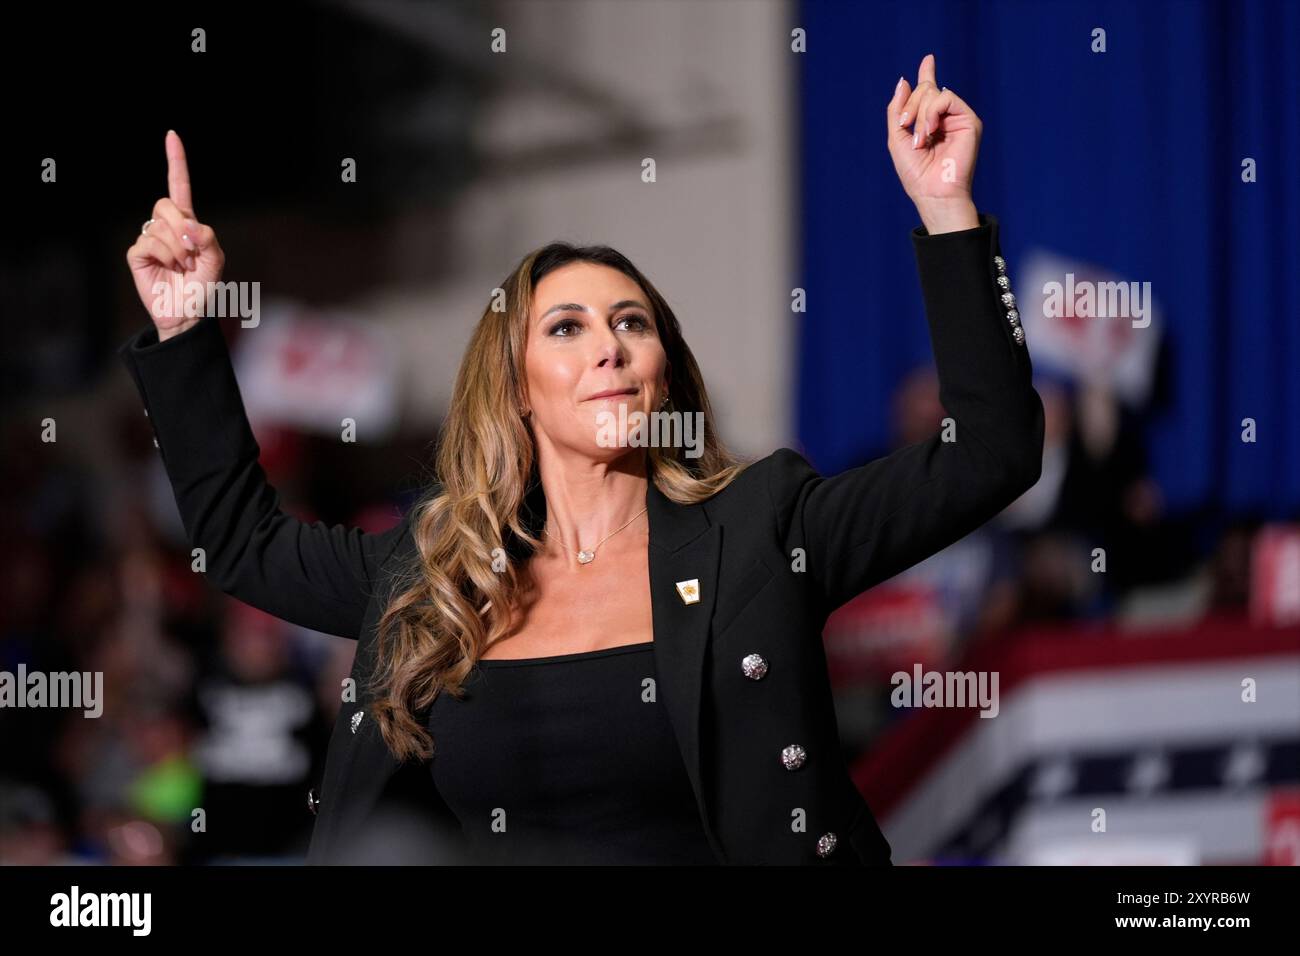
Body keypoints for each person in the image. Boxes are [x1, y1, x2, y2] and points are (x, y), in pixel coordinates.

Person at [118, 54, 1044, 865]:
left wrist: (947, 211)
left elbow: (992, 454)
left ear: (661, 375)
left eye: (631, 324)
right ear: (517, 387)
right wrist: (184, 331)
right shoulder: (428, 577)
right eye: (567, 327)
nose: (609, 346)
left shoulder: (765, 528)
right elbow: (238, 540)